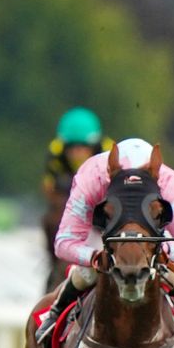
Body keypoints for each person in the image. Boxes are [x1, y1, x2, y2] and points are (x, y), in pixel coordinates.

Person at [33, 138, 174, 348]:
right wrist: (93, 257)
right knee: (86, 273)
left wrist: (163, 251)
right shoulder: (93, 177)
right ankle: (55, 314)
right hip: (103, 236)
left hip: (149, 246)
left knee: (169, 274)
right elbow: (63, 243)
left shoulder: (169, 183)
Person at [43, 108, 113, 271]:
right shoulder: (55, 152)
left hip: (102, 199)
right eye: (72, 148)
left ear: (94, 146)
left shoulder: (109, 151)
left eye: (83, 147)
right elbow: (48, 187)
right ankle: (54, 261)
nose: (77, 153)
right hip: (70, 198)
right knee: (49, 220)